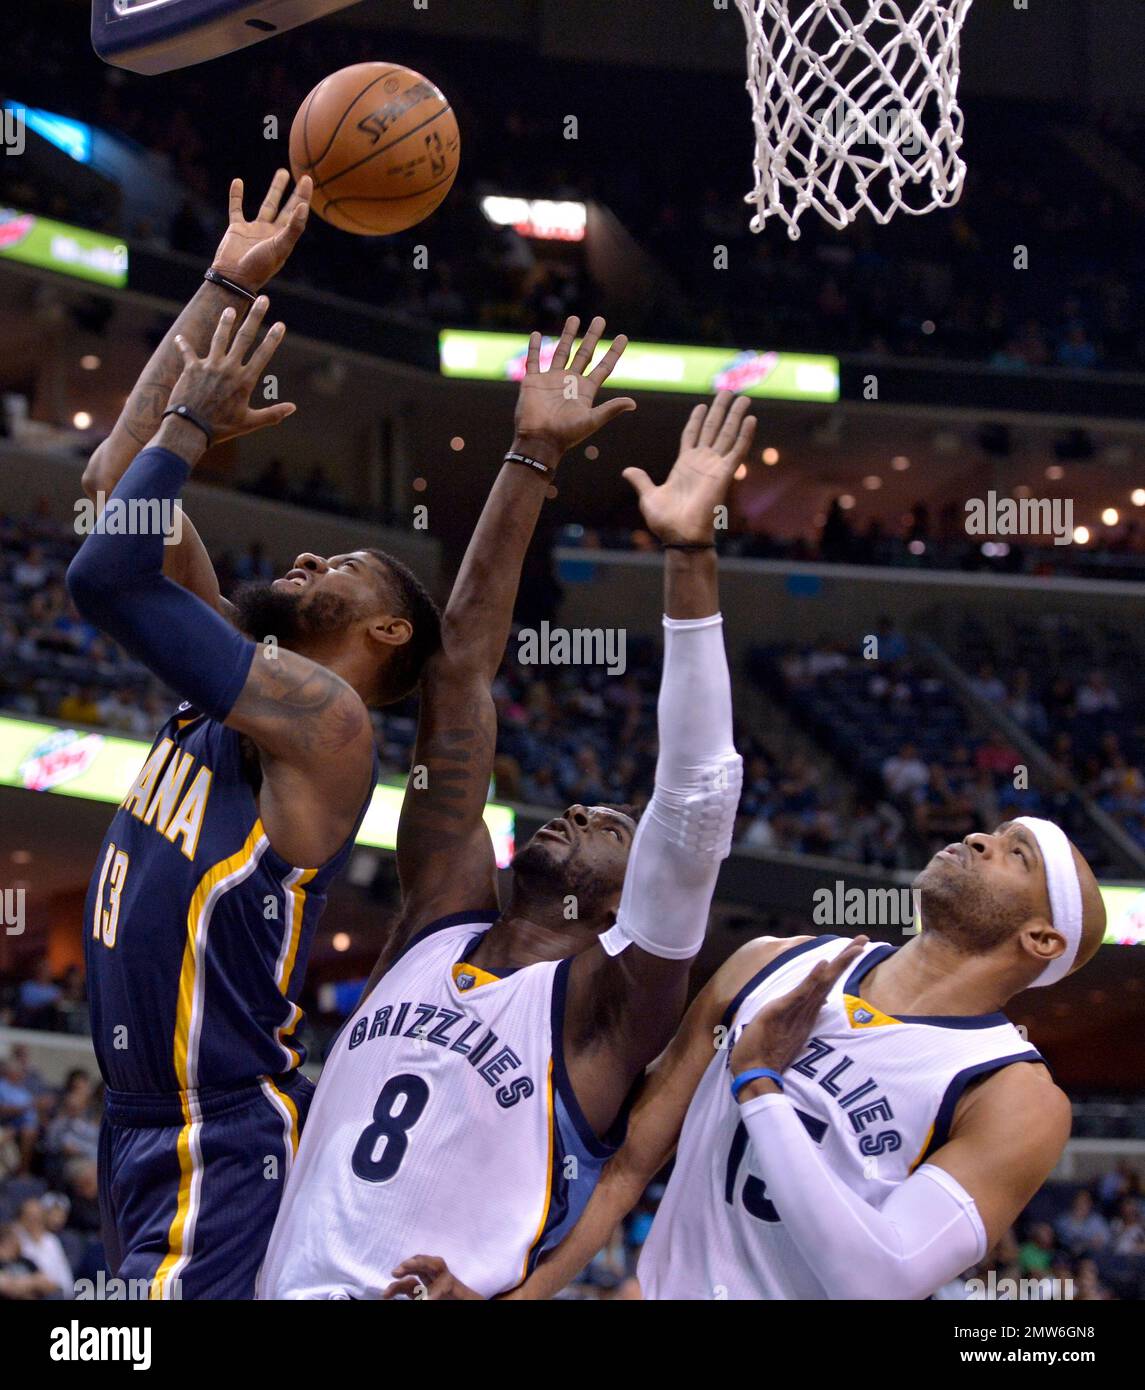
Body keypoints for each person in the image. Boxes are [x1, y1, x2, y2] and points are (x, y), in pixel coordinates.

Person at [258, 376, 754, 1299]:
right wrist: (531, 454)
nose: (574, 813)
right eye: (580, 808)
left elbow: (694, 805)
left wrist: (688, 556)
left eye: (610, 826)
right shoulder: (438, 920)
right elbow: (457, 677)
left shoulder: (605, 1011)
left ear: (624, 896)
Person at [65, 171, 440, 1301]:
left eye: (343, 566)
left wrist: (191, 423)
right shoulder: (238, 669)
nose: (307, 560)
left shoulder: (322, 722)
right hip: (138, 1120)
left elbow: (102, 573)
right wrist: (222, 284)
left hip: (215, 1133)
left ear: (384, 630)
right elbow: (105, 490)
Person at [410, 816, 1107, 1300]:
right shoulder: (772, 961)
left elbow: (883, 1276)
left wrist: (761, 1084)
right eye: (994, 832)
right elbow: (626, 1169)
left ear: (1042, 939)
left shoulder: (1012, 1093)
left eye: (1017, 855)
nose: (979, 839)